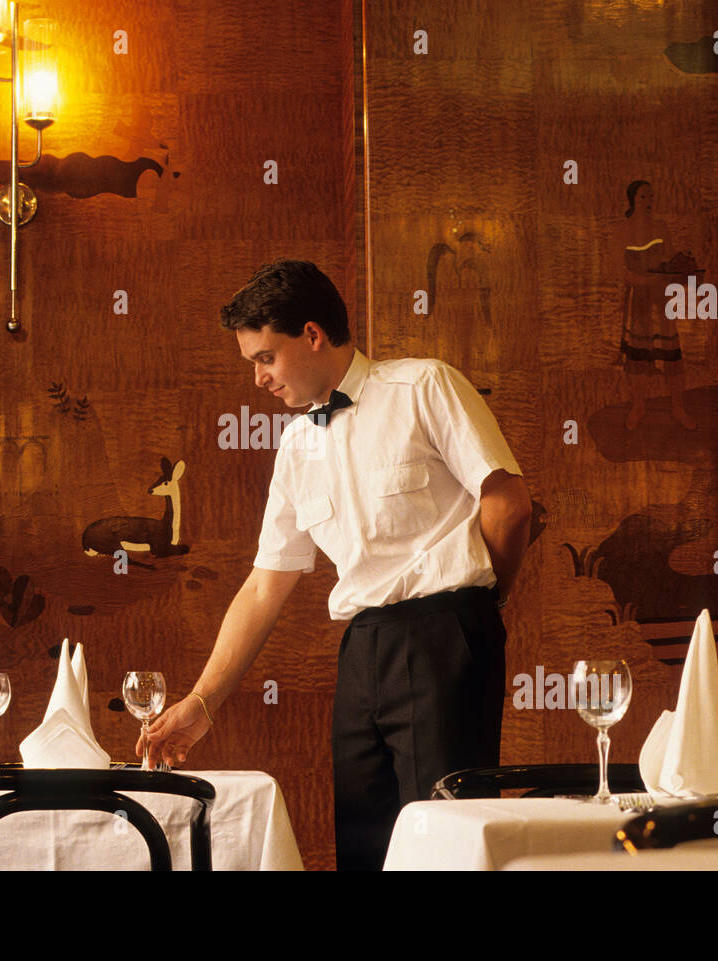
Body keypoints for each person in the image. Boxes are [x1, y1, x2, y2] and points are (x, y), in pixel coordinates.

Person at [136, 259, 532, 870]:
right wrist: (201, 702)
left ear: (313, 335)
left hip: (443, 636)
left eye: (266, 358)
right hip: (361, 650)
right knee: (365, 848)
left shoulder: (424, 386)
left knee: (443, 848)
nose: (260, 379)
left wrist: (482, 604)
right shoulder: (296, 444)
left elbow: (508, 505)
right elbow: (266, 586)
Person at [617, 180, 696, 431]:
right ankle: (638, 406)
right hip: (639, 299)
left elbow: (670, 258)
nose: (648, 201)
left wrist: (682, 265)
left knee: (671, 355)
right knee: (640, 356)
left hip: (661, 297)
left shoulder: (661, 227)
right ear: (633, 200)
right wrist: (643, 279)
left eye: (651, 196)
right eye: (643, 196)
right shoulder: (624, 230)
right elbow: (617, 268)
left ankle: (678, 407)